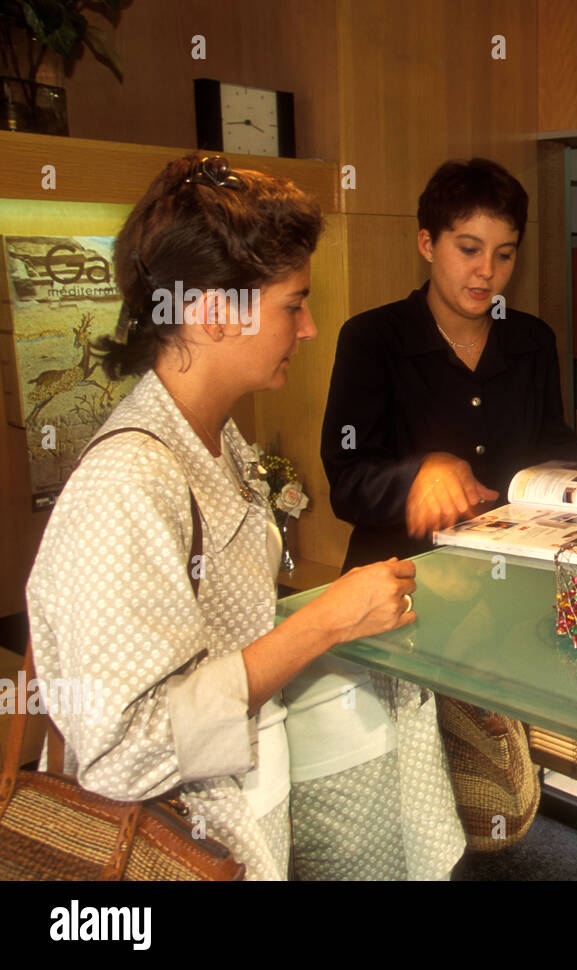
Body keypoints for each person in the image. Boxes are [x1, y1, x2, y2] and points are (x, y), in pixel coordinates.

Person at [25, 154, 420, 881]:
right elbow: (127, 751)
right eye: (292, 305)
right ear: (210, 313)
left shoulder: (215, 439)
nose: (308, 330)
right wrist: (323, 621)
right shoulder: (126, 484)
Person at [298, 157, 577, 875]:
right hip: (400, 598)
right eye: (468, 249)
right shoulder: (372, 340)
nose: (485, 272)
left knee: (487, 792)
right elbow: (346, 479)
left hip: (500, 592)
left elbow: (541, 446)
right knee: (402, 792)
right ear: (427, 243)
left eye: (503, 254)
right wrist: (416, 475)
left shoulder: (529, 339)